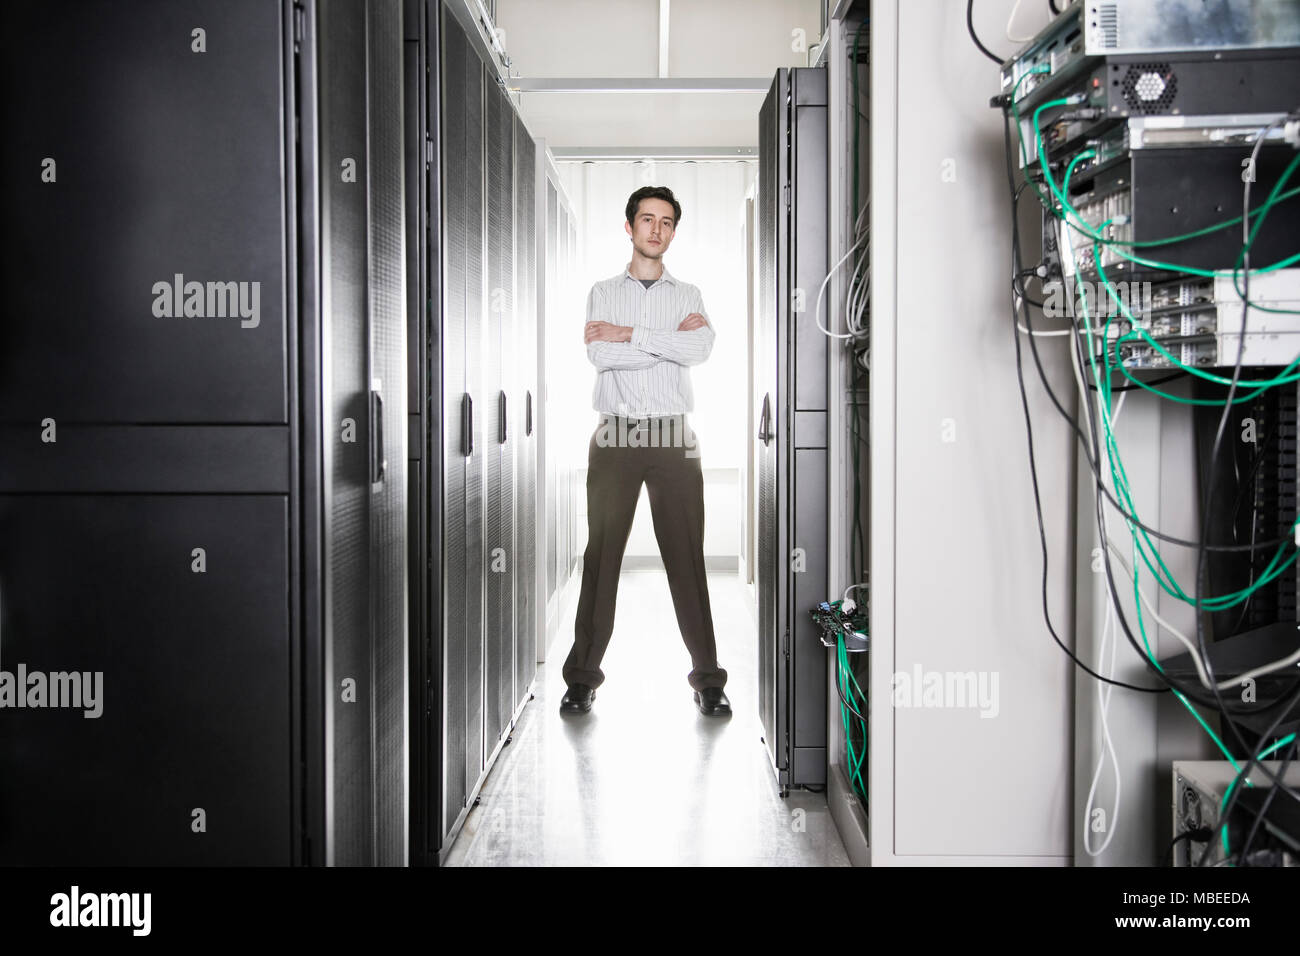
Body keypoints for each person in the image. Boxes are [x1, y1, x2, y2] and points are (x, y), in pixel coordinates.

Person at [559, 185, 731, 717]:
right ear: (629, 227)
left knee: (686, 560)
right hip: (616, 437)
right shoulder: (601, 292)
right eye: (647, 220)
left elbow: (700, 349)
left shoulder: (690, 295)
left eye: (666, 222)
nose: (656, 230)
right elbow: (600, 355)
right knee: (601, 558)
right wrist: (661, 342)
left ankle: (708, 681)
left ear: (673, 232)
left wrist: (631, 334)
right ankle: (582, 678)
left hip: (675, 439)